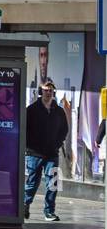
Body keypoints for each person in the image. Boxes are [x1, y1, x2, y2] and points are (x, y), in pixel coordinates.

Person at [25, 79, 69, 221]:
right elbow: (25, 129)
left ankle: (49, 211)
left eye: (51, 90)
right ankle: (25, 206)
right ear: (40, 91)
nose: (48, 92)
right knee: (32, 182)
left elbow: (64, 130)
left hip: (52, 154)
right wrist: (29, 146)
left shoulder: (59, 111)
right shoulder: (31, 110)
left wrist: (57, 144)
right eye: (45, 90)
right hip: (34, 153)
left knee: (53, 183)